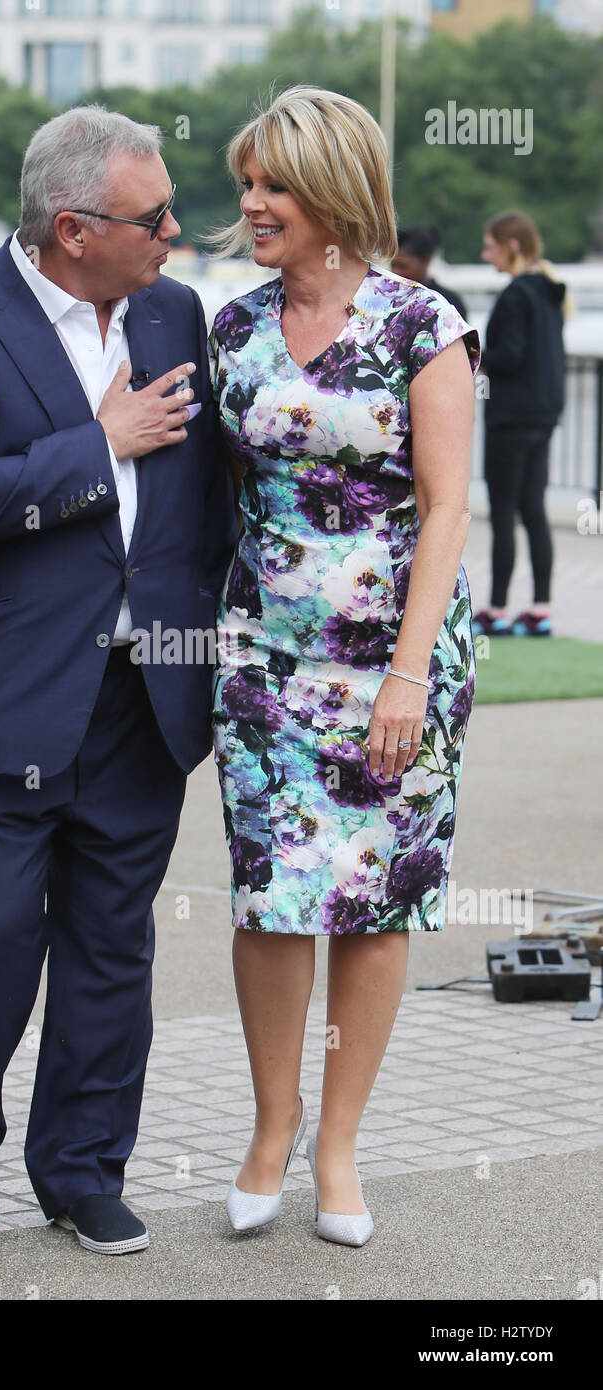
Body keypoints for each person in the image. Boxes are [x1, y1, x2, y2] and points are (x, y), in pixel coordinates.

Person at [0, 106, 236, 1257]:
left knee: (112, 942)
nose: (179, 234)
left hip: (147, 694)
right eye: (156, 218)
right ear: (75, 229)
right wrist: (105, 443)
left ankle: (83, 1167)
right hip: (4, 694)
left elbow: (205, 503)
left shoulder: (177, 310)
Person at [205, 86, 480, 1246]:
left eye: (273, 183)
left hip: (396, 667)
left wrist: (408, 675)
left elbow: (450, 508)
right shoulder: (231, 329)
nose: (253, 203)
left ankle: (339, 1146)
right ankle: (271, 1126)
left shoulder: (425, 326)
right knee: (271, 896)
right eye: (247, 182)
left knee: (372, 904)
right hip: (265, 664)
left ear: (332, 193)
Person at [473, 211, 567, 638]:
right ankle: (541, 609)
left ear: (511, 245)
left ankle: (495, 610)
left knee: (504, 512)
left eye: (490, 245)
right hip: (544, 415)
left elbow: (509, 355)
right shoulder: (548, 293)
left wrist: (475, 355)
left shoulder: (516, 296)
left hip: (510, 419)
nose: (484, 253)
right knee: (534, 510)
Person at [391, 224, 468, 319]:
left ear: (425, 260)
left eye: (402, 266)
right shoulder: (388, 299)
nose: (395, 272)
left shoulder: (447, 302)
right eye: (392, 265)